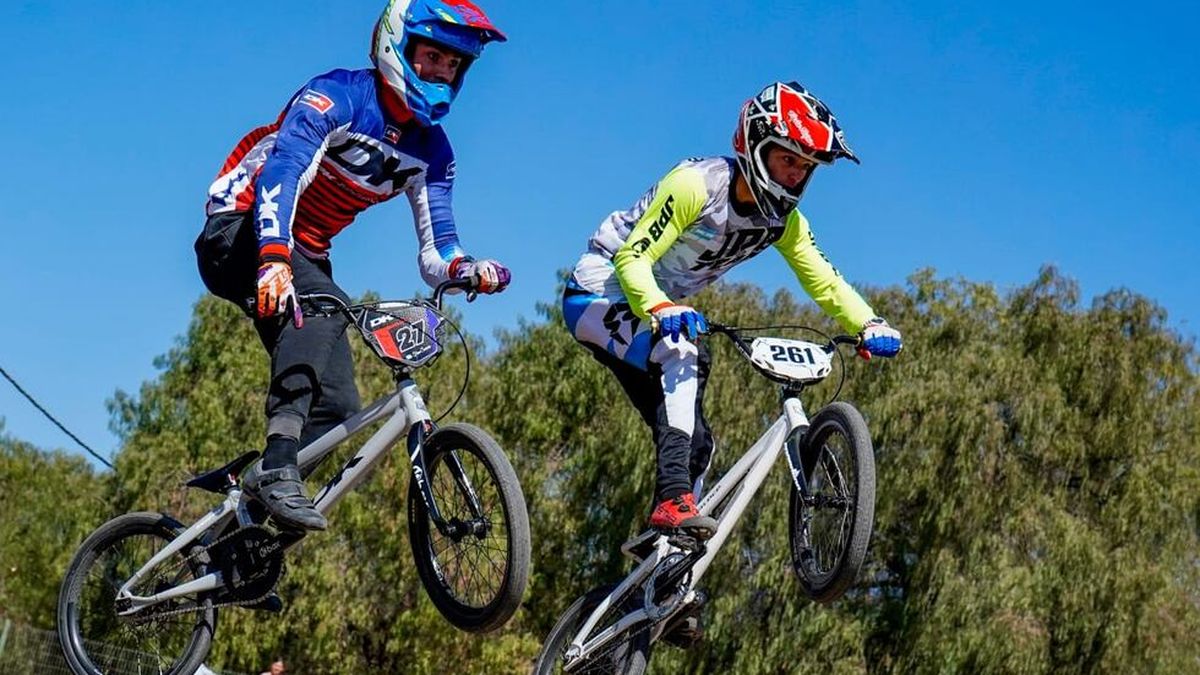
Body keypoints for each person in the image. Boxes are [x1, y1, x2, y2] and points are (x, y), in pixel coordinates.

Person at [195, 0, 510, 532]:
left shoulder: (433, 153)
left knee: (338, 408)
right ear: (398, 46)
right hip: (241, 230)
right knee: (326, 308)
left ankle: (239, 535)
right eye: (433, 55)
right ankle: (277, 468)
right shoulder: (336, 97)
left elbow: (438, 251)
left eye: (454, 64)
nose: (442, 72)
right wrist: (273, 258)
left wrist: (467, 269)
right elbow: (282, 174)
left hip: (304, 256)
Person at [562, 81, 903, 540]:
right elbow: (631, 258)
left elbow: (823, 279)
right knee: (685, 352)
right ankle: (671, 501)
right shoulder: (696, 185)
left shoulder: (785, 223)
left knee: (698, 445)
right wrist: (661, 306)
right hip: (599, 292)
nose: (794, 178)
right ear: (756, 149)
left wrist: (868, 322)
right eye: (787, 160)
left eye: (805, 169)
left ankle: (664, 567)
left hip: (655, 312)